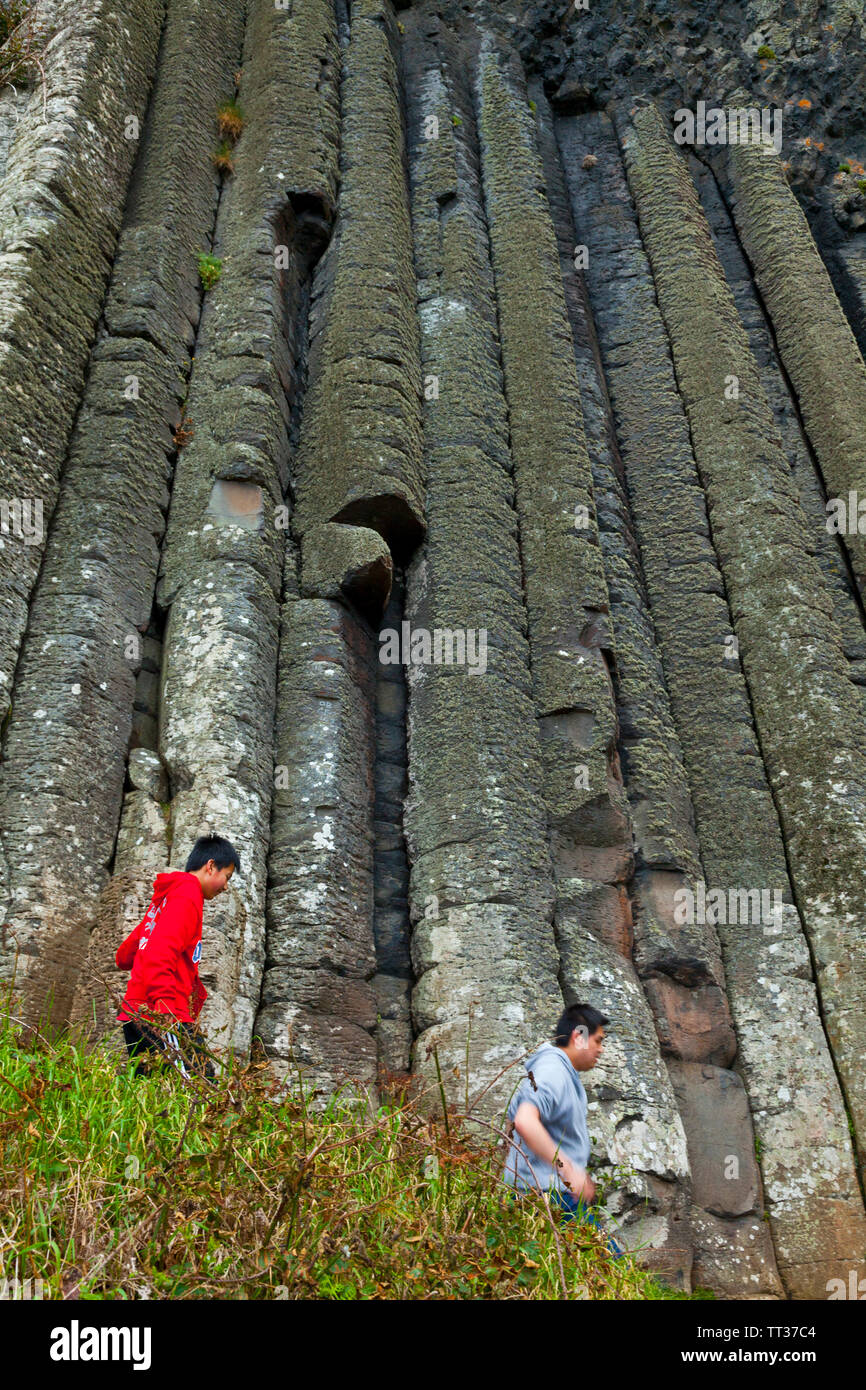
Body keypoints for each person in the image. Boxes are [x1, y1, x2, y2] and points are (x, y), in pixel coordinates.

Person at [115, 834, 240, 1079]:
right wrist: (164, 1009)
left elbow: (125, 955)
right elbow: (160, 952)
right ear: (211, 866)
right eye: (226, 877)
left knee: (151, 1095)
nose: (226, 886)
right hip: (162, 1013)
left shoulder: (167, 898)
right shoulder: (187, 895)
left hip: (136, 1012)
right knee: (200, 1088)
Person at [504, 1002, 623, 1253]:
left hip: (549, 1195)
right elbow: (525, 1120)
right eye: (598, 1041)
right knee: (612, 1267)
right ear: (578, 1037)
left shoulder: (561, 1071)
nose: (601, 1050)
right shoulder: (553, 1070)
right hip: (547, 1197)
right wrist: (568, 1169)